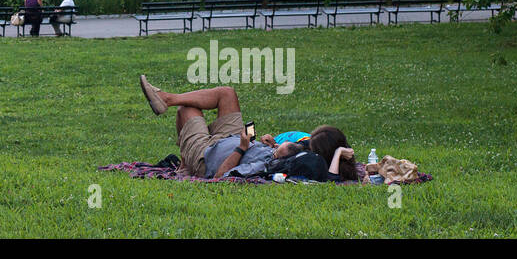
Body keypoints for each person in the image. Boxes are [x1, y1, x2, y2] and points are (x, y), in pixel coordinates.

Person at [138, 77, 356, 180]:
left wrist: (242, 148)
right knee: (227, 93)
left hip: (209, 156)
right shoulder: (301, 153)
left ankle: (186, 162)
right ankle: (166, 98)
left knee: (186, 111)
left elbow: (221, 177)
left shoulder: (285, 167)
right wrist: (271, 144)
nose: (303, 143)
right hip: (234, 137)